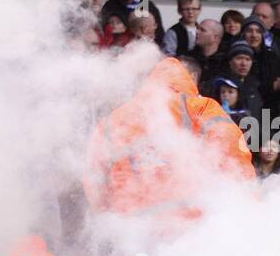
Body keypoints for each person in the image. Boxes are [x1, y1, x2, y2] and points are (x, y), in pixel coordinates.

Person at [83, 57, 255, 227]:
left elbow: (94, 178)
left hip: (131, 231)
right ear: (188, 80)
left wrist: (107, 219)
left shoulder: (111, 122)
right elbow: (232, 151)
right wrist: (248, 201)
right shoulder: (198, 107)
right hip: (189, 228)